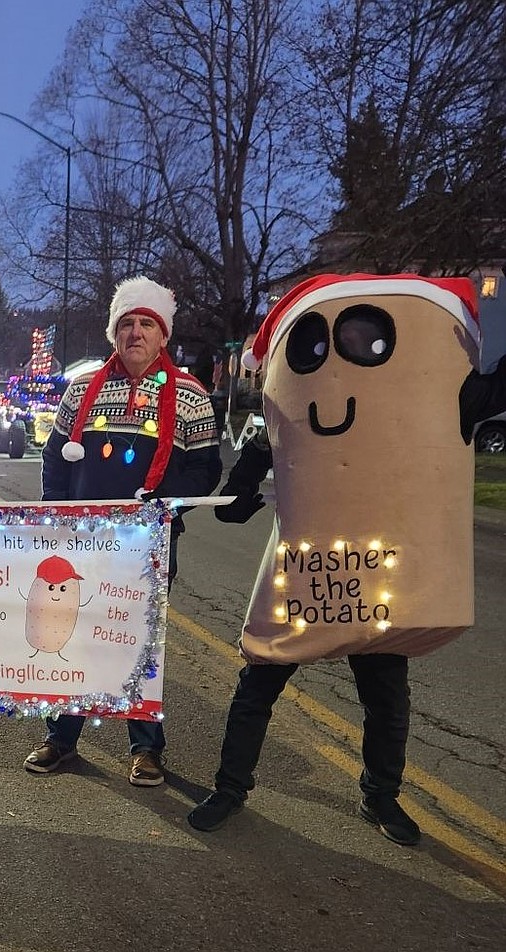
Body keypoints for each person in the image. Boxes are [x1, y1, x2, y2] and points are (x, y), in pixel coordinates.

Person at [186, 273, 506, 845]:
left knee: (386, 699)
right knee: (258, 684)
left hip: (379, 578)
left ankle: (381, 797)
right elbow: (240, 495)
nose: (341, 358)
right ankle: (230, 788)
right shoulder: (282, 419)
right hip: (305, 576)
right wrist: (238, 496)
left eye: (362, 340)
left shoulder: (444, 397)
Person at [25, 276, 222, 785]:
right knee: (74, 634)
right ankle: (61, 738)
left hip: (146, 547)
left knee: (138, 644)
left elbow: (205, 469)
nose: (135, 333)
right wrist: (57, 513)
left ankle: (146, 748)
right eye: (127, 324)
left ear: (163, 335)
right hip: (84, 542)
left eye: (146, 325)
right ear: (115, 333)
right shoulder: (81, 391)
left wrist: (166, 503)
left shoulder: (190, 396)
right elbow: (55, 457)